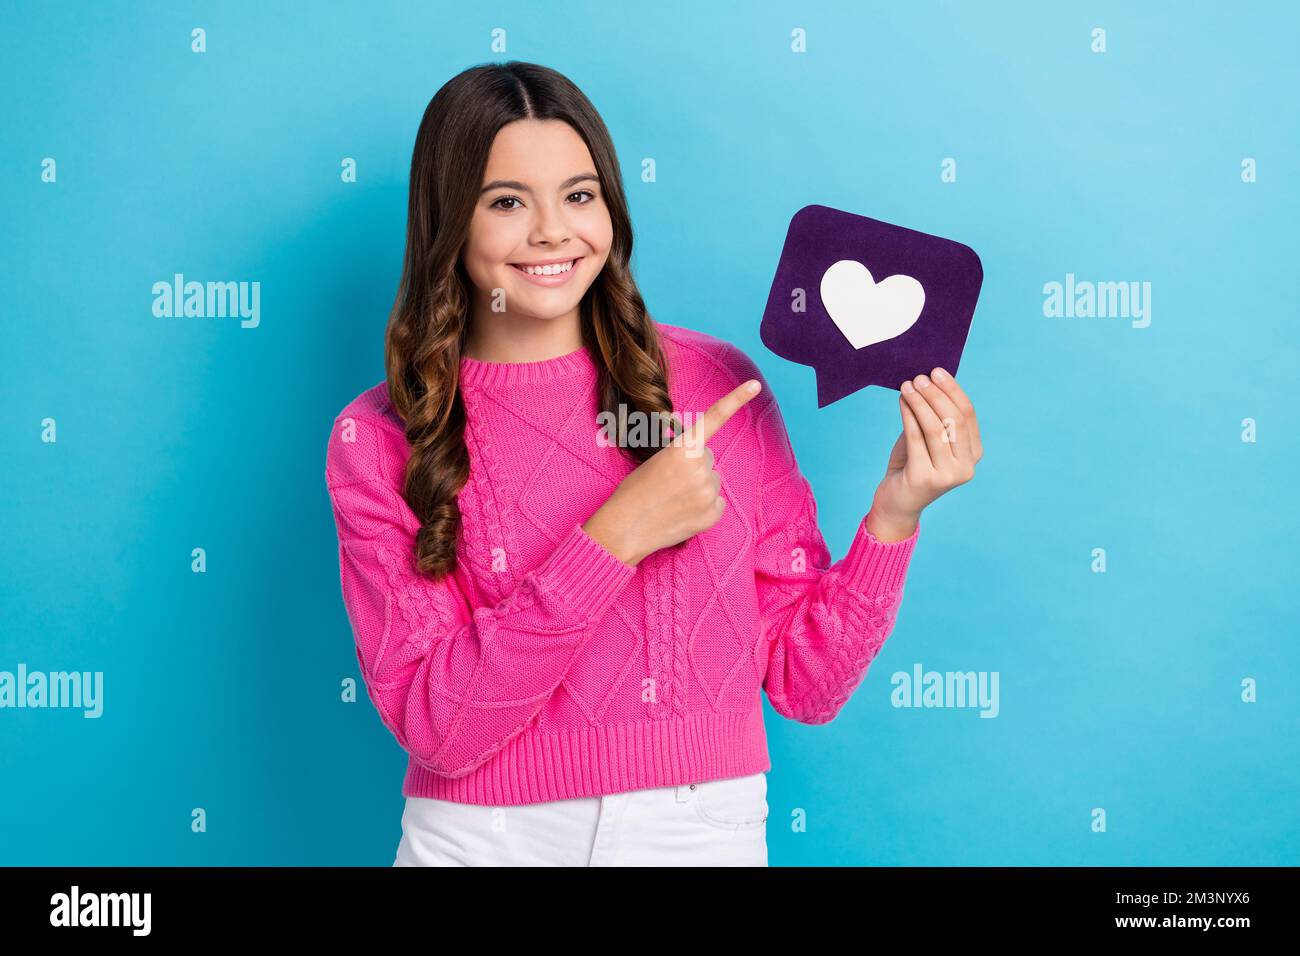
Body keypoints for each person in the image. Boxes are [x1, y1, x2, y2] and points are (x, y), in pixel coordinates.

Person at [324, 61, 983, 866]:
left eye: (578, 194)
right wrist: (616, 534)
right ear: (448, 221)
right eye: (506, 202)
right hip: (479, 842)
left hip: (698, 833)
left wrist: (894, 516)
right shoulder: (380, 436)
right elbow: (439, 729)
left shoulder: (718, 387)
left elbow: (806, 688)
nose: (551, 232)